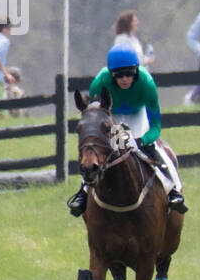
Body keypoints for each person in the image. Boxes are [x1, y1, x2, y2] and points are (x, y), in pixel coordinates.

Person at [67, 46, 187, 216]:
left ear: (137, 71)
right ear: (111, 75)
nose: (125, 79)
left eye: (130, 73)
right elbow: (95, 115)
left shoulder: (147, 84)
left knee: (153, 148)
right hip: (111, 114)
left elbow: (155, 128)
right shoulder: (100, 83)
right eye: (119, 75)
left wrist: (142, 141)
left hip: (138, 115)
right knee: (100, 152)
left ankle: (173, 190)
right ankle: (83, 193)